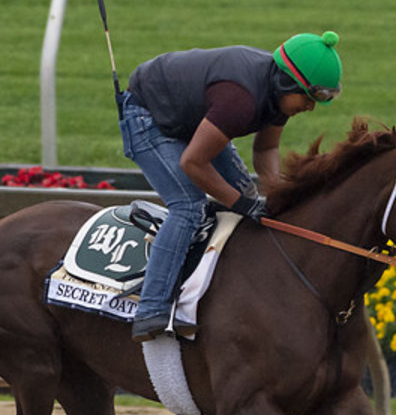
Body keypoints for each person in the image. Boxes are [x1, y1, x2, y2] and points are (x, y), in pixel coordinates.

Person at [118, 30, 342, 341]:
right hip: (147, 113)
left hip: (194, 115)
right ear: (286, 83)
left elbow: (265, 150)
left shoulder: (277, 93)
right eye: (308, 98)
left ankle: (220, 282)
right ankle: (150, 307)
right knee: (189, 207)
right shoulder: (240, 100)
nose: (311, 107)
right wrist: (239, 203)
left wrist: (278, 197)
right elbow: (193, 163)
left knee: (248, 196)